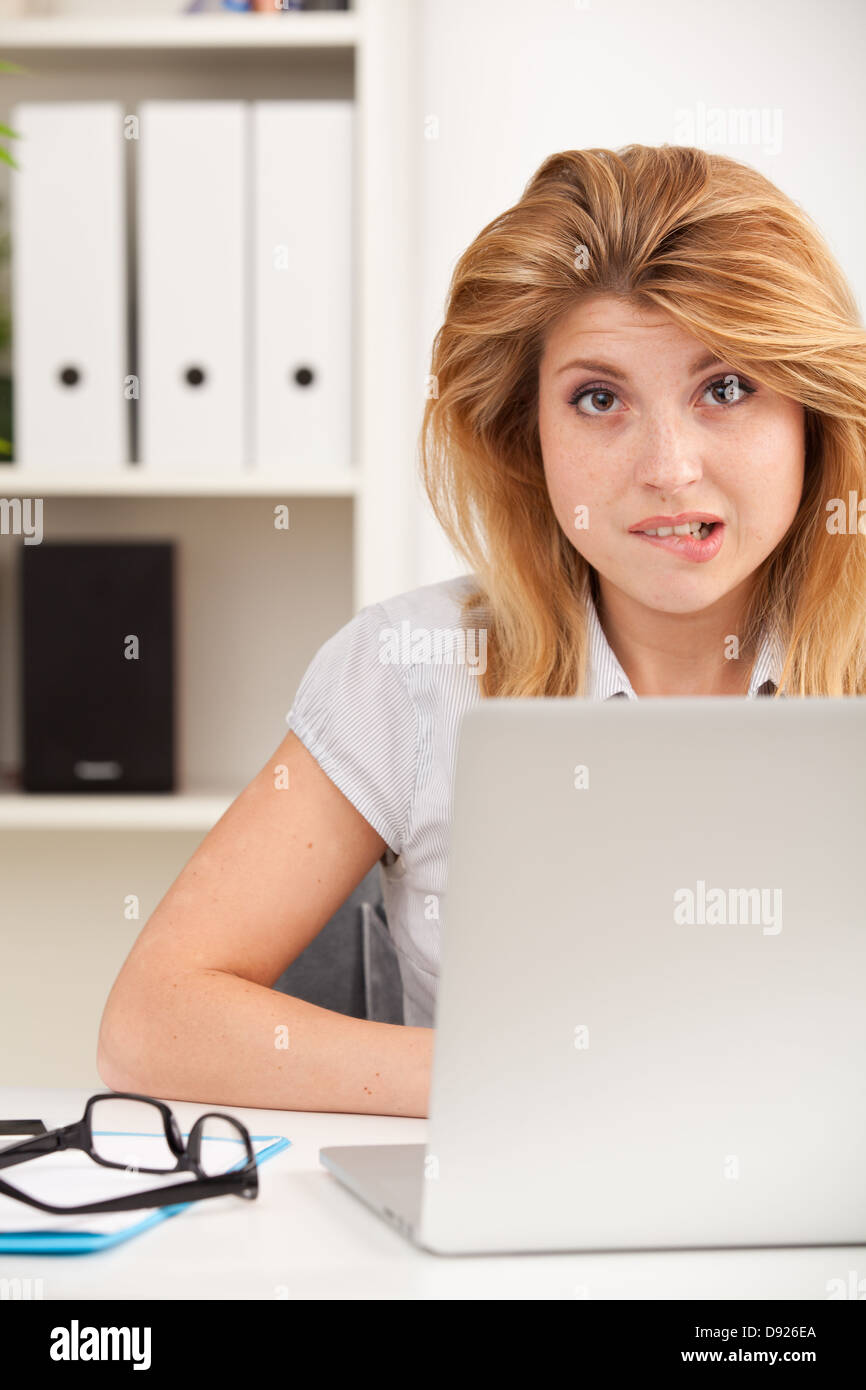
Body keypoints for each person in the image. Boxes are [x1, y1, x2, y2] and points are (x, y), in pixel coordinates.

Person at [98, 144, 866, 1118]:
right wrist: (531, 1086)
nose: (667, 468)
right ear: (524, 435)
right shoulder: (412, 669)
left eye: (724, 388)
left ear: (810, 413)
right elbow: (151, 1021)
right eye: (598, 398)